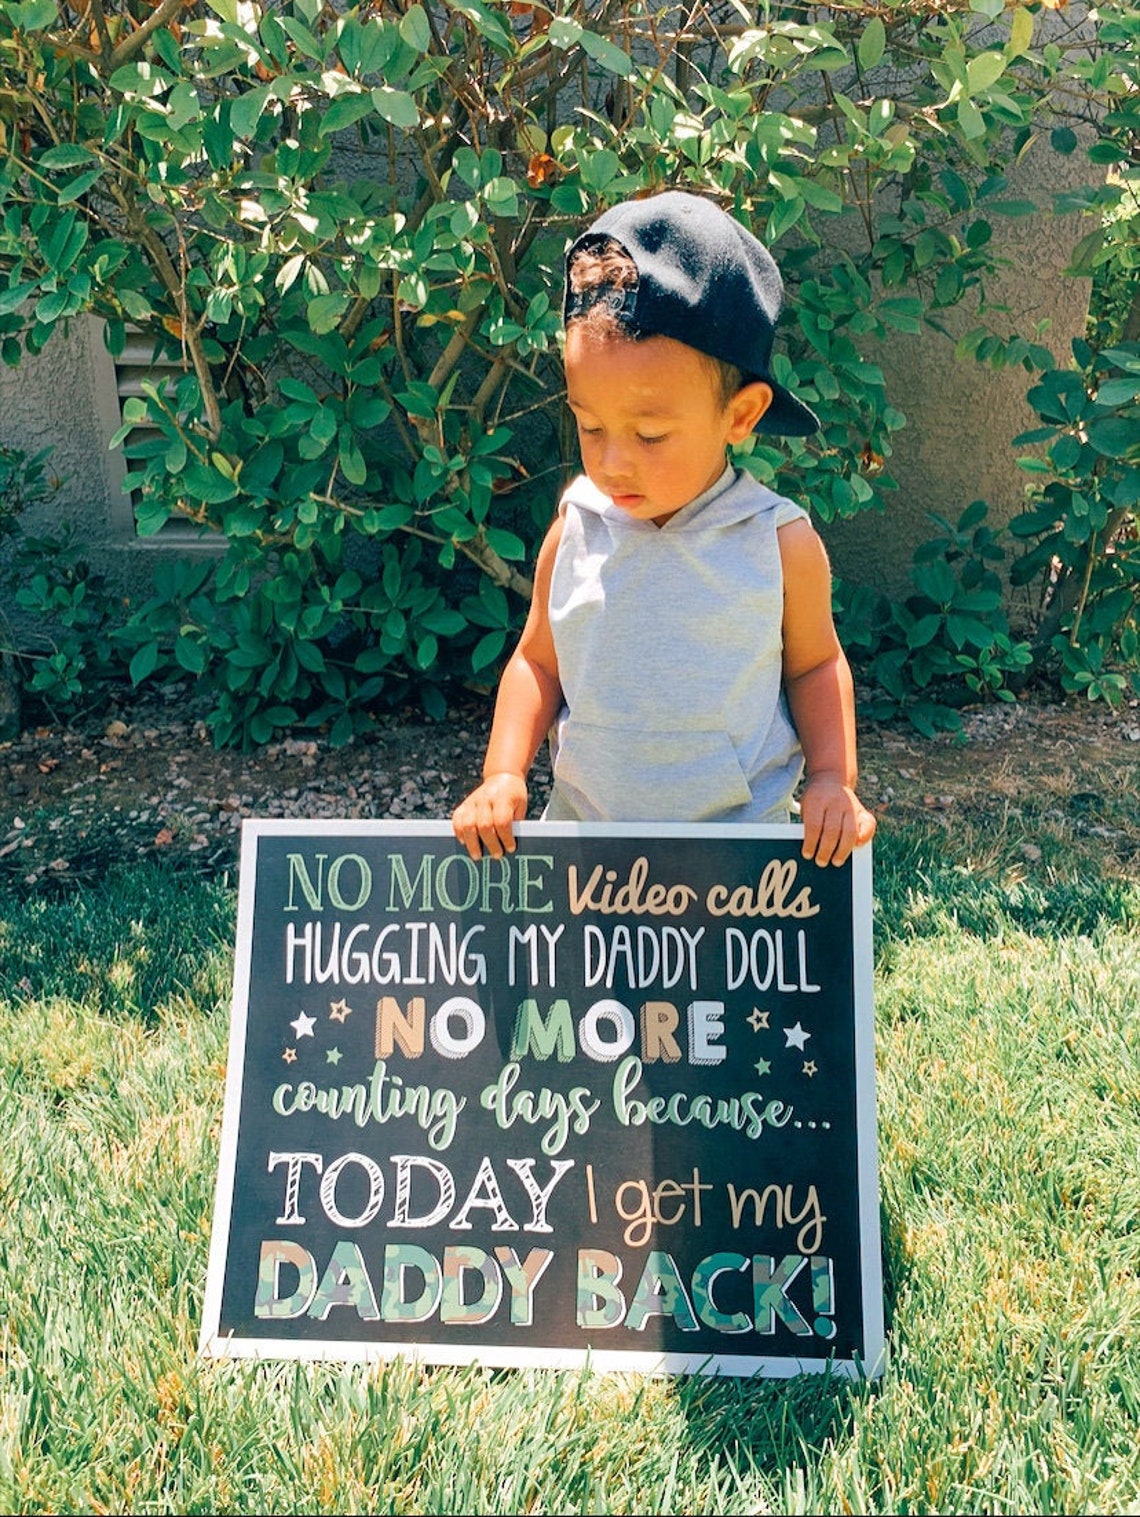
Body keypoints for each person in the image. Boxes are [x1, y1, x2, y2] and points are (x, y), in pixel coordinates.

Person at [452, 189, 876, 867]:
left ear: (740, 416)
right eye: (590, 425)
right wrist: (503, 772)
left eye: (650, 433)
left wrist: (832, 779)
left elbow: (817, 663)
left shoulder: (777, 544)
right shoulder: (576, 529)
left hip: (740, 860)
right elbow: (537, 661)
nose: (613, 460)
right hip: (589, 854)